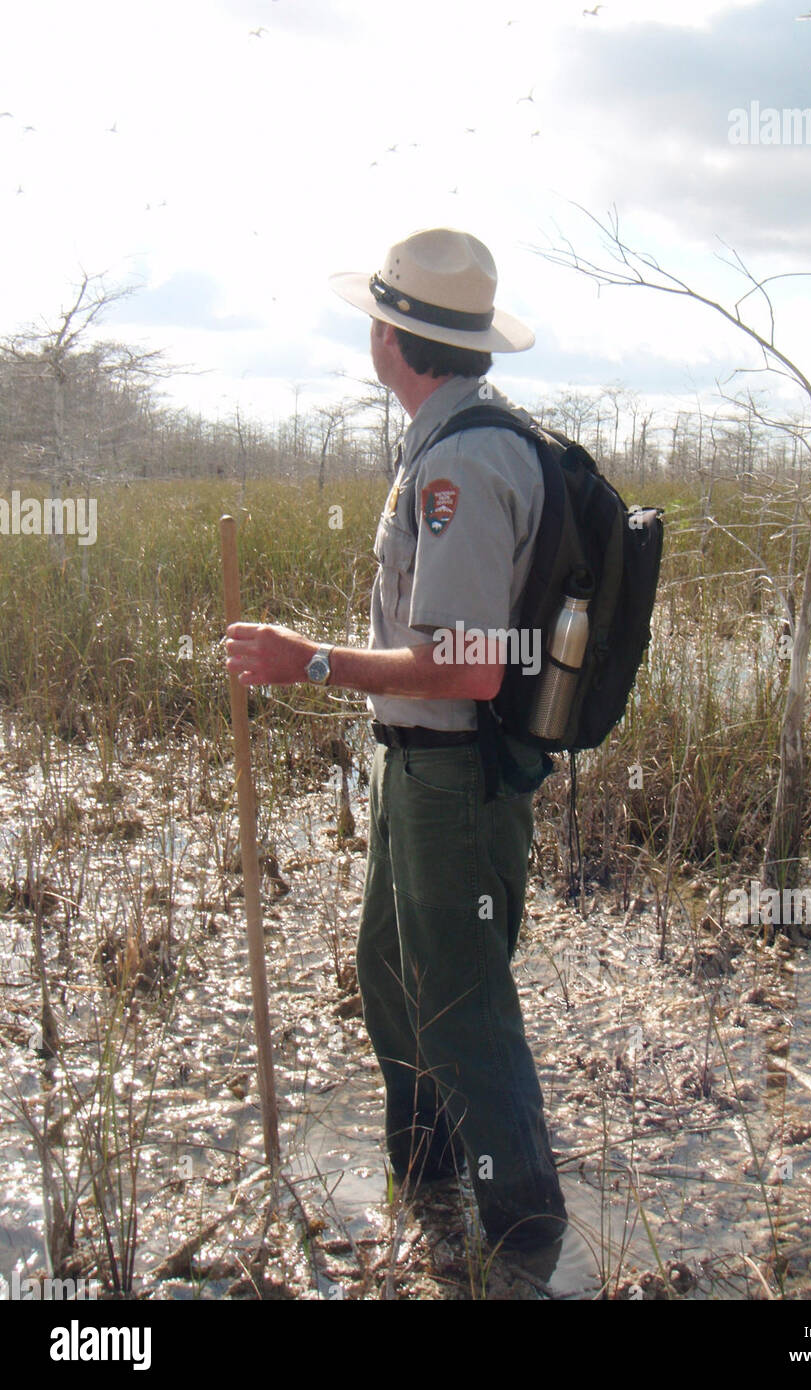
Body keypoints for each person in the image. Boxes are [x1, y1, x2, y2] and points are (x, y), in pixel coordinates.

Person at [225, 227, 567, 1254]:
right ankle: (426, 1181)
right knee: (390, 968)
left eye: (375, 319)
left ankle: (522, 1240)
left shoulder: (460, 463)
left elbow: (467, 667)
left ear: (393, 339)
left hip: (451, 773)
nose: (369, 334)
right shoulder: (452, 441)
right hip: (418, 760)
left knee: (460, 1002)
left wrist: (310, 661)